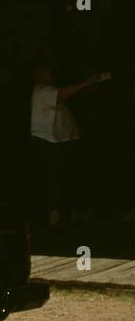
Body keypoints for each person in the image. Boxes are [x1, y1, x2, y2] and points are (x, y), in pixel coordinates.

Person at [31, 61, 107, 228]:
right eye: (49, 72)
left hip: (60, 141)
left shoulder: (45, 91)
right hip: (49, 141)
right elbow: (61, 95)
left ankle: (64, 213)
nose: (53, 75)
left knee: (62, 176)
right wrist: (86, 83)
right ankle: (55, 215)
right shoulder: (42, 91)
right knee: (55, 177)